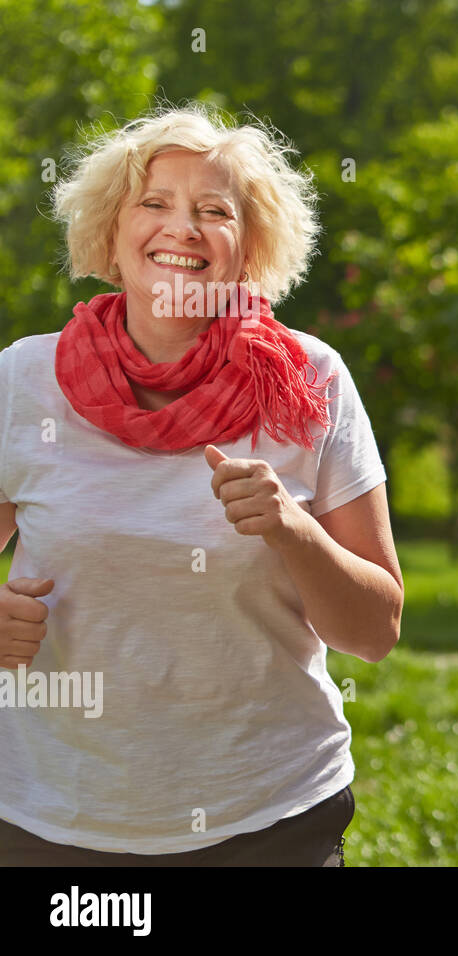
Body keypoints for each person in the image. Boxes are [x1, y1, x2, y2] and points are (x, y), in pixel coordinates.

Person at [0, 104, 403, 865]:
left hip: (270, 816)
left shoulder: (309, 381)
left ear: (247, 249)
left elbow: (375, 631)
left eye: (213, 211)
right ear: (110, 237)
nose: (180, 228)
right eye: (153, 204)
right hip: (53, 820)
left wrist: (295, 530)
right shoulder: (22, 380)